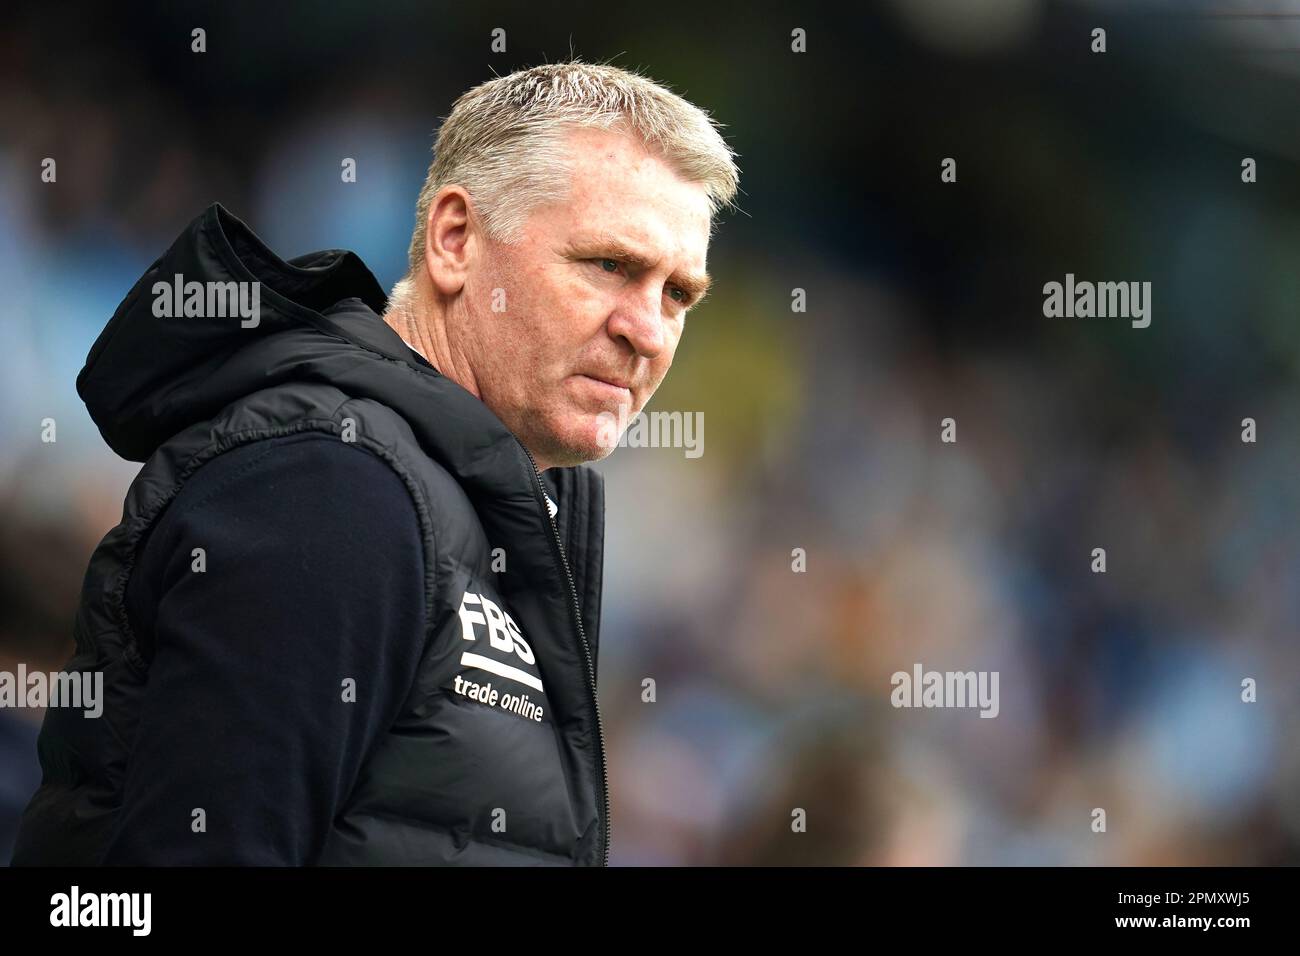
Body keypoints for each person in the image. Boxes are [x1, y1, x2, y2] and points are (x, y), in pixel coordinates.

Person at [10, 60, 739, 866]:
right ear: (455, 241)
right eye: (610, 265)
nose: (648, 330)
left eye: (678, 294)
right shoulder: (331, 488)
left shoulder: (464, 509)